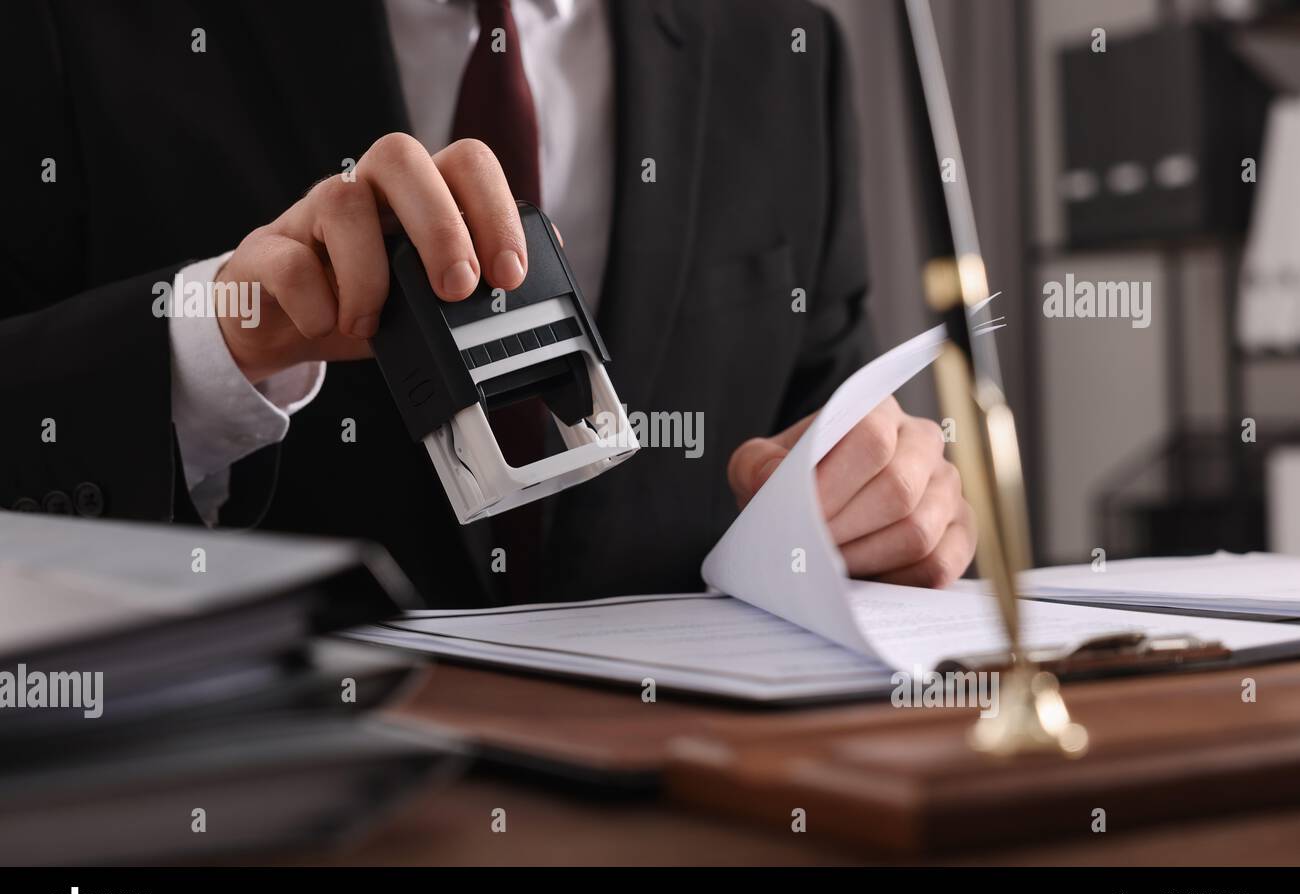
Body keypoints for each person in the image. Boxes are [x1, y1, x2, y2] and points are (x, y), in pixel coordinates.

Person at [0, 0, 975, 605]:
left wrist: (888, 504)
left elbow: (832, 423)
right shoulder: (74, 23)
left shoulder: (786, 50)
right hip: (257, 799)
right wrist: (214, 339)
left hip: (690, 804)